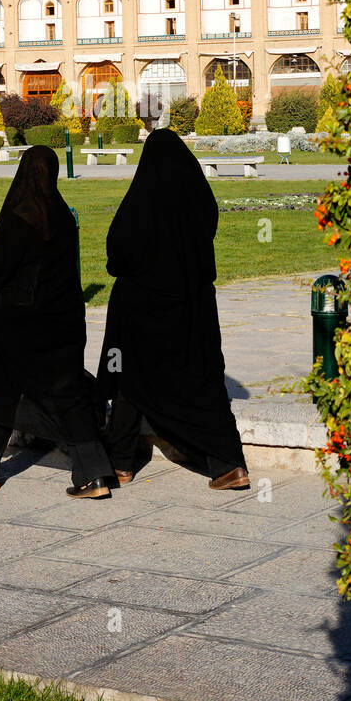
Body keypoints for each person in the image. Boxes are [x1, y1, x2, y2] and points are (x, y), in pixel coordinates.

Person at [96, 128, 250, 491]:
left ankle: (120, 464)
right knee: (203, 382)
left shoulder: (140, 203)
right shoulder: (200, 200)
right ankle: (228, 465)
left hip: (140, 310)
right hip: (193, 307)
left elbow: (116, 255)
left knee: (128, 382)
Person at [0, 145, 114, 499]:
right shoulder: (63, 215)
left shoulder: (19, 215)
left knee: (17, 390)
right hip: (62, 320)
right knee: (52, 391)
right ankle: (92, 475)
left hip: (19, 320)